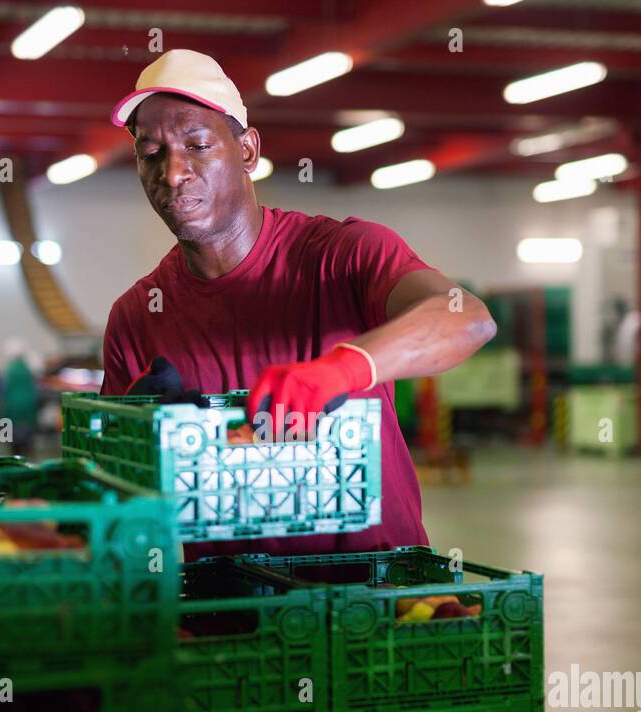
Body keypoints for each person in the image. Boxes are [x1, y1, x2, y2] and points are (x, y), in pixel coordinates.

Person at [100, 50, 495, 559]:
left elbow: (467, 318)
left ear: (246, 151)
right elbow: (115, 495)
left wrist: (344, 368)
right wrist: (142, 448)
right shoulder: (136, 318)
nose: (172, 173)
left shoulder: (344, 255)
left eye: (197, 145)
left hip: (379, 602)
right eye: (150, 152)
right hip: (234, 610)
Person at [1, 337, 40, 456]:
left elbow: (3, 389)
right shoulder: (28, 368)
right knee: (27, 436)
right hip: (28, 404)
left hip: (13, 405)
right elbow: (36, 387)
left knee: (12, 437)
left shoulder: (9, 369)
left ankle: (14, 456)